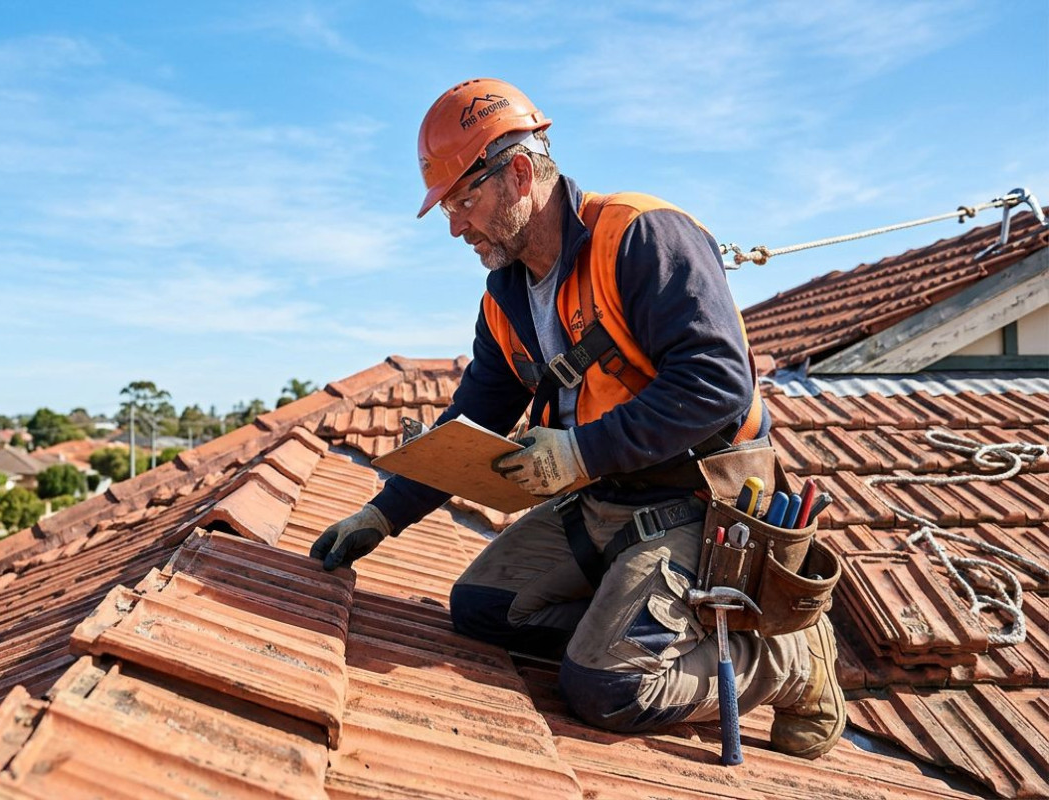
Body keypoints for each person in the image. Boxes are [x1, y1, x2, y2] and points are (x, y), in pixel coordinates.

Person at [310, 78, 845, 758]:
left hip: (702, 503)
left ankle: (790, 659)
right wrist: (384, 513)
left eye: (463, 200)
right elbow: (476, 413)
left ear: (519, 174)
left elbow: (717, 383)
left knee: (607, 687)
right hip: (606, 501)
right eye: (447, 207)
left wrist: (579, 454)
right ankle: (629, 621)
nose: (455, 227)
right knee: (482, 609)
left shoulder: (641, 235)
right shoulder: (505, 300)